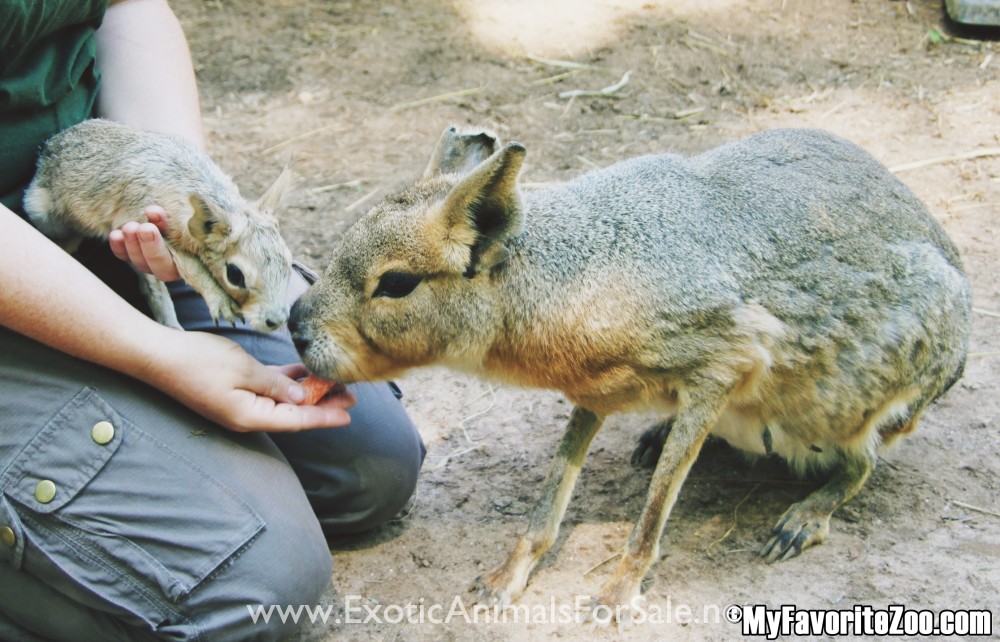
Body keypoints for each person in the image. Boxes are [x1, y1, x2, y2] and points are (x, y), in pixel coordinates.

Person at [0, 1, 425, 639]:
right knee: (263, 591)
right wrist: (155, 354)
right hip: (24, 241)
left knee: (371, 467)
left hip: (102, 198)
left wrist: (181, 209)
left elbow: (127, 7)